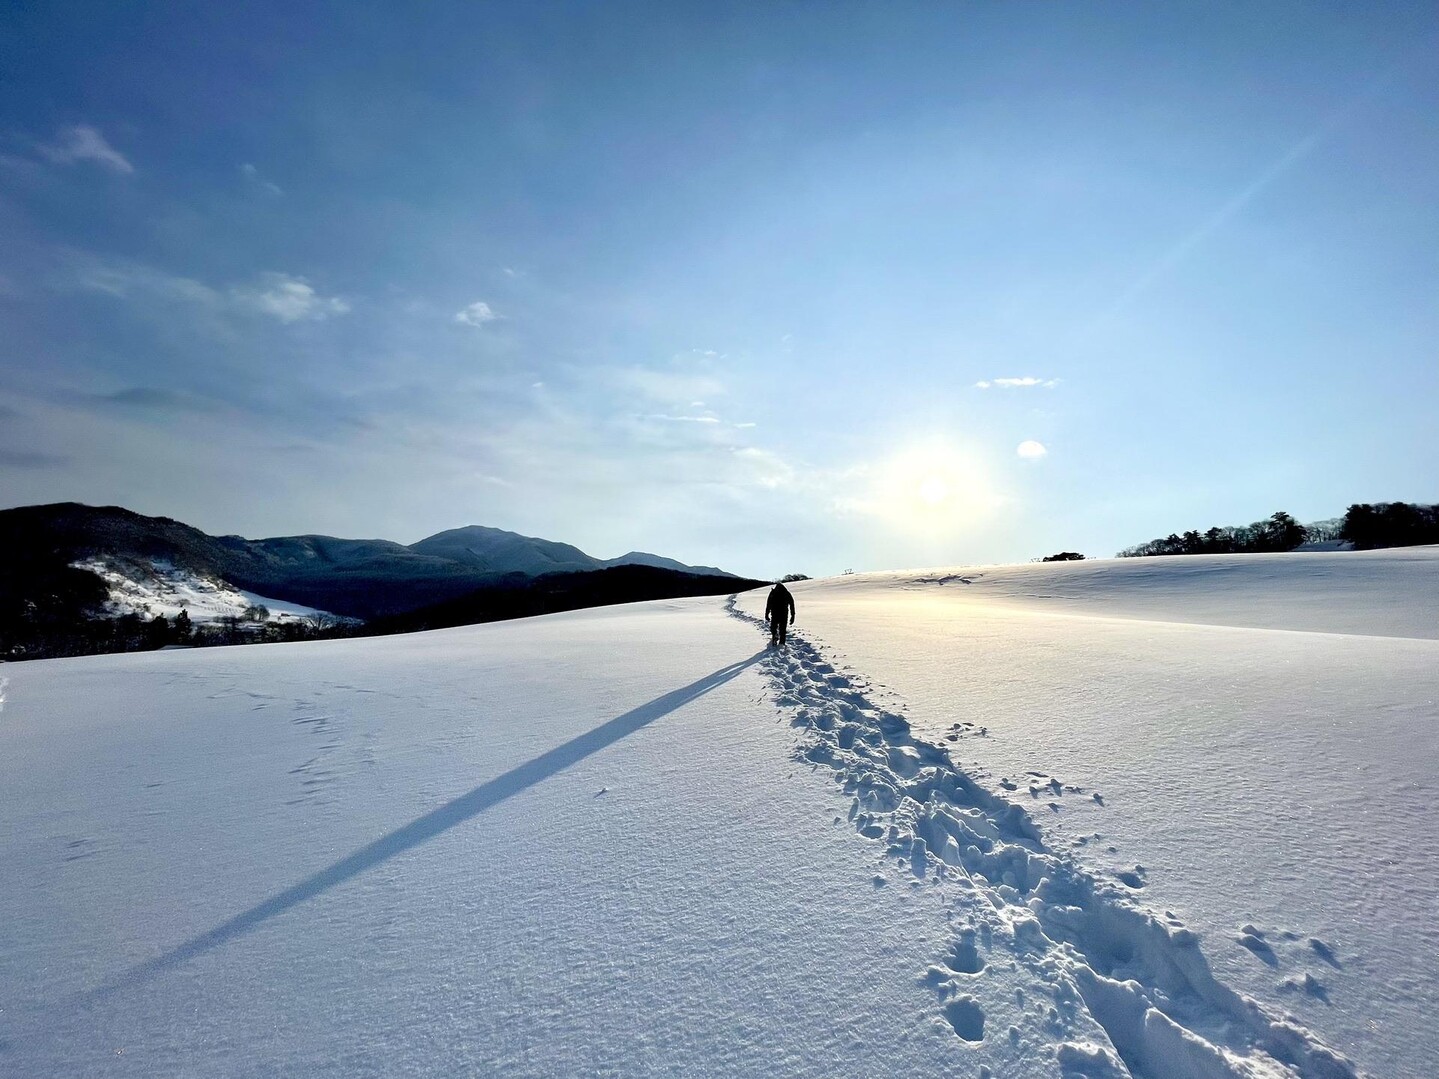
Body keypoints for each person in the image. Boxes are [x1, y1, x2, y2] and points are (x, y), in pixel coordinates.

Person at [764, 580, 795, 646]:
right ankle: (782, 643)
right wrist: (793, 616)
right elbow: (792, 605)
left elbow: (768, 604)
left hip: (775, 613)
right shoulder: (786, 593)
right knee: (782, 629)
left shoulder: (773, 593)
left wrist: (766, 614)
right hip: (784, 614)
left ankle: (775, 635)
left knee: (773, 627)